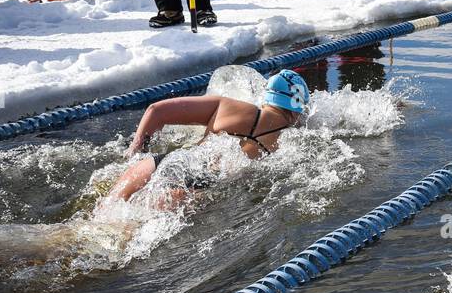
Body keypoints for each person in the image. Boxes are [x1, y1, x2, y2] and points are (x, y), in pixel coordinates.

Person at [105, 70, 309, 204]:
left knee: (94, 221)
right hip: (197, 187)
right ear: (296, 109)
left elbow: (155, 111)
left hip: (165, 162)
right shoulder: (289, 141)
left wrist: (136, 152)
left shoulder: (227, 106)